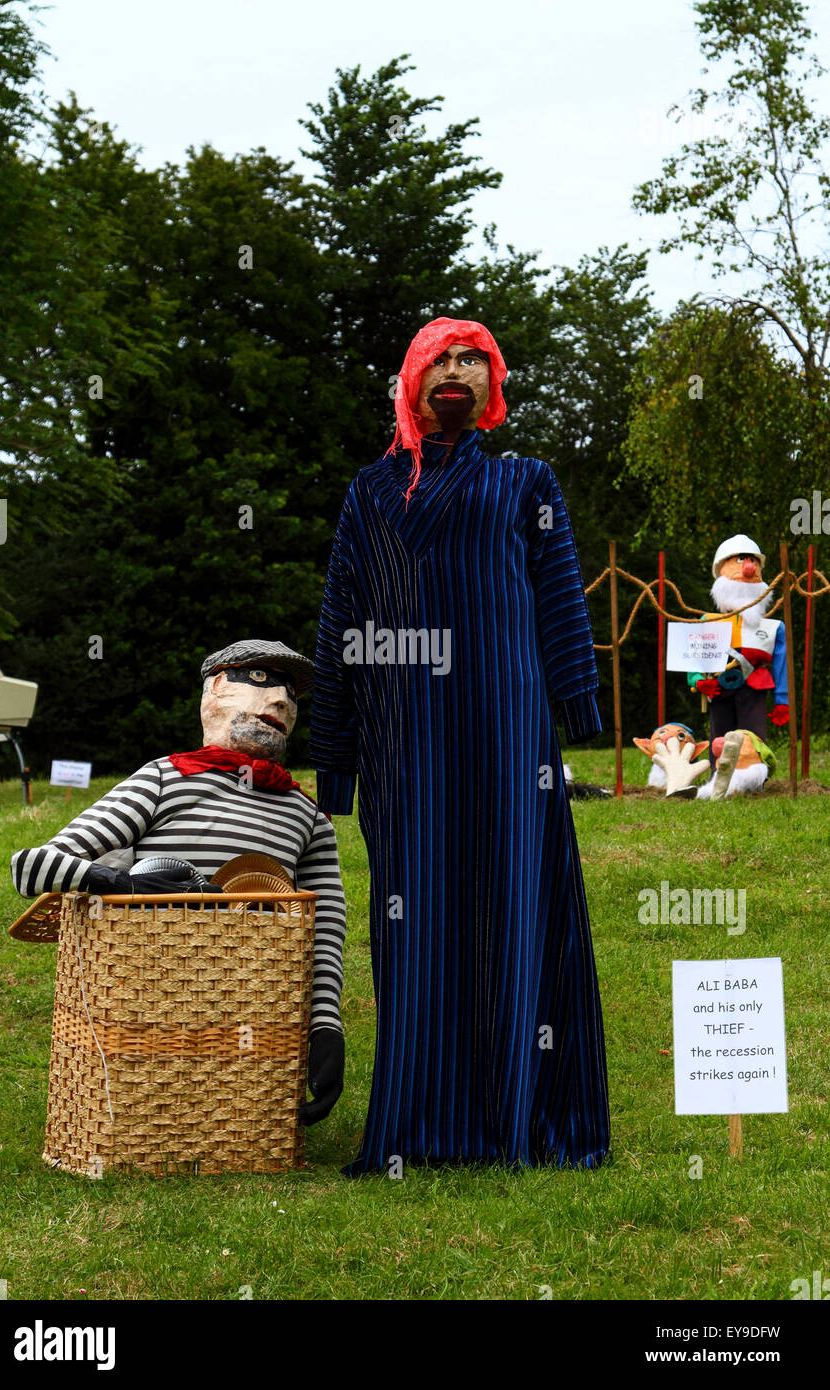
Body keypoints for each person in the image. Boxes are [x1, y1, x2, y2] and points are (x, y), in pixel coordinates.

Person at [310, 317, 609, 1174]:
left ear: (494, 383)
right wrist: (335, 753)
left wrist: (575, 704)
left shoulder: (527, 481)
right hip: (406, 734)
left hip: (512, 729)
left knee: (516, 909)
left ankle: (517, 1113)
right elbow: (342, 623)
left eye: (473, 358)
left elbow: (557, 599)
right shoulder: (372, 491)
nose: (456, 370)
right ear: (411, 381)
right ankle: (420, 1123)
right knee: (417, 912)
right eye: (439, 358)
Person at [10, 639, 346, 1124]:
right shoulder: (164, 779)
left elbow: (325, 923)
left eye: (291, 692)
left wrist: (324, 1026)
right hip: (154, 992)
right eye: (259, 681)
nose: (280, 700)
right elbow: (33, 866)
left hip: (258, 997)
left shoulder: (306, 813)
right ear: (214, 691)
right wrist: (120, 886)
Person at [687, 535, 788, 766]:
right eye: (739, 560)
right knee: (719, 736)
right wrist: (697, 680)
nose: (748, 568)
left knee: (753, 736)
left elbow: (782, 666)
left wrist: (783, 701)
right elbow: (694, 658)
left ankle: (752, 779)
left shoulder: (773, 628)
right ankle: (719, 780)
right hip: (719, 686)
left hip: (755, 686)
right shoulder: (707, 621)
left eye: (752, 561)